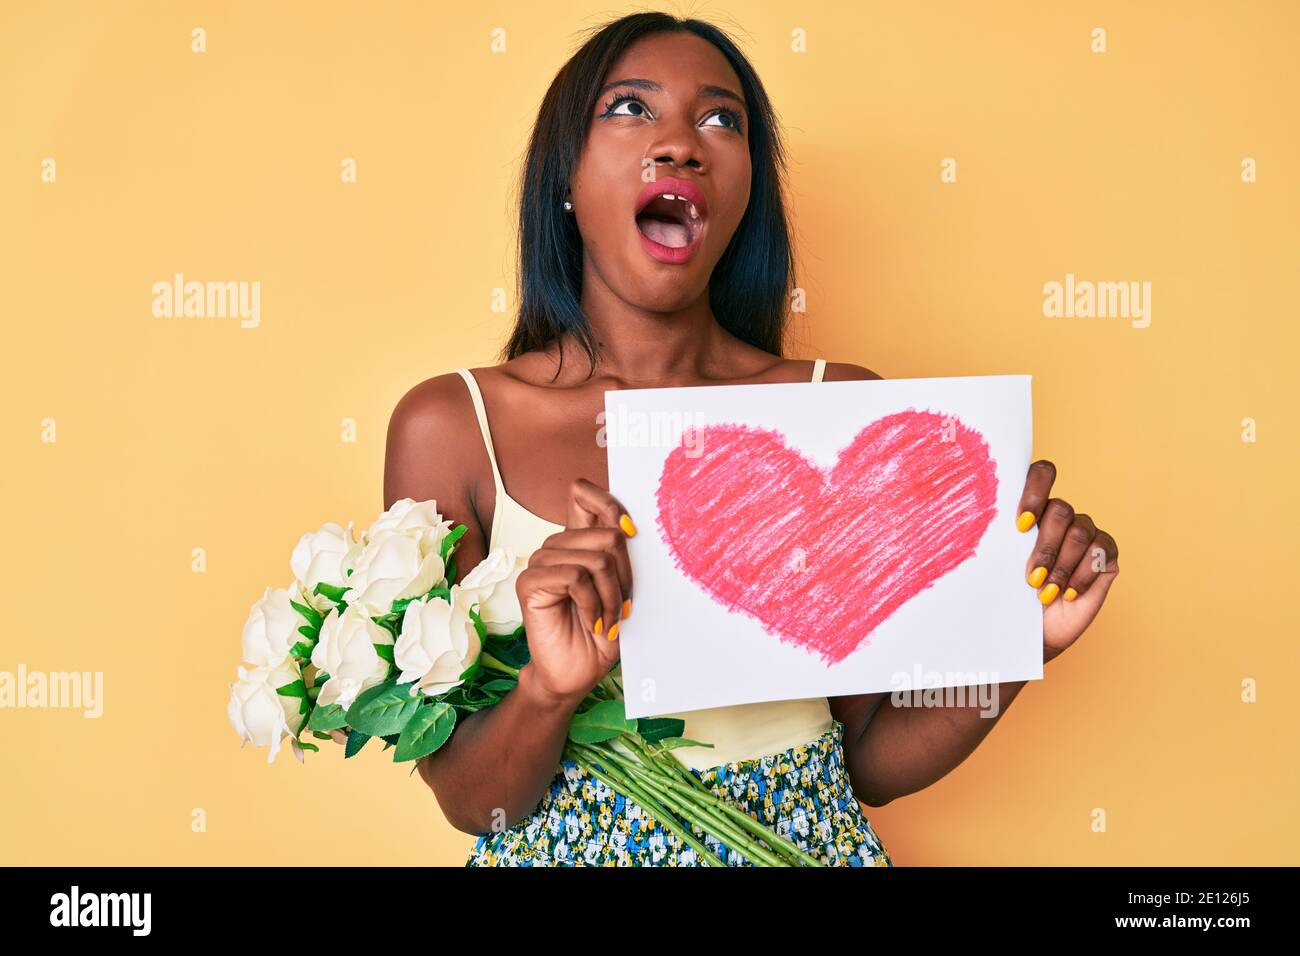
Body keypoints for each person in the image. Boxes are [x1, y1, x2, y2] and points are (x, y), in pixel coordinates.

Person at [382, 13, 1120, 866]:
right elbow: (474, 803)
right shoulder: (450, 426)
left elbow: (872, 758)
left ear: (743, 196)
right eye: (629, 108)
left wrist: (1019, 642)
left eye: (720, 120)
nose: (683, 144)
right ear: (566, 180)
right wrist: (549, 689)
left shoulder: (840, 410)